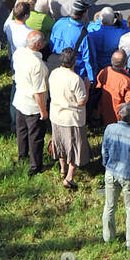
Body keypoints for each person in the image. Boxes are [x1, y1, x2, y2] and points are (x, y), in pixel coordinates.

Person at [102, 102, 130, 250]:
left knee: (109, 205)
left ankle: (108, 237)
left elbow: (105, 151)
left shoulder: (109, 129)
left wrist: (106, 164)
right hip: (129, 175)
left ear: (118, 115)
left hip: (111, 172)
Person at [49, 47, 90, 189]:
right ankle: (69, 177)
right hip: (72, 118)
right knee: (73, 147)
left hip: (55, 115)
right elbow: (81, 101)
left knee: (60, 143)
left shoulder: (54, 73)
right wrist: (87, 87)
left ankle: (62, 169)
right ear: (74, 61)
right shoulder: (75, 79)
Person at [12, 30, 50, 172]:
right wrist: (43, 111)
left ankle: (22, 157)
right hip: (33, 106)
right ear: (38, 45)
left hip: (20, 99)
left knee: (21, 131)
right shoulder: (38, 65)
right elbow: (38, 92)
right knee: (35, 137)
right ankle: (35, 166)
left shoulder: (19, 53)